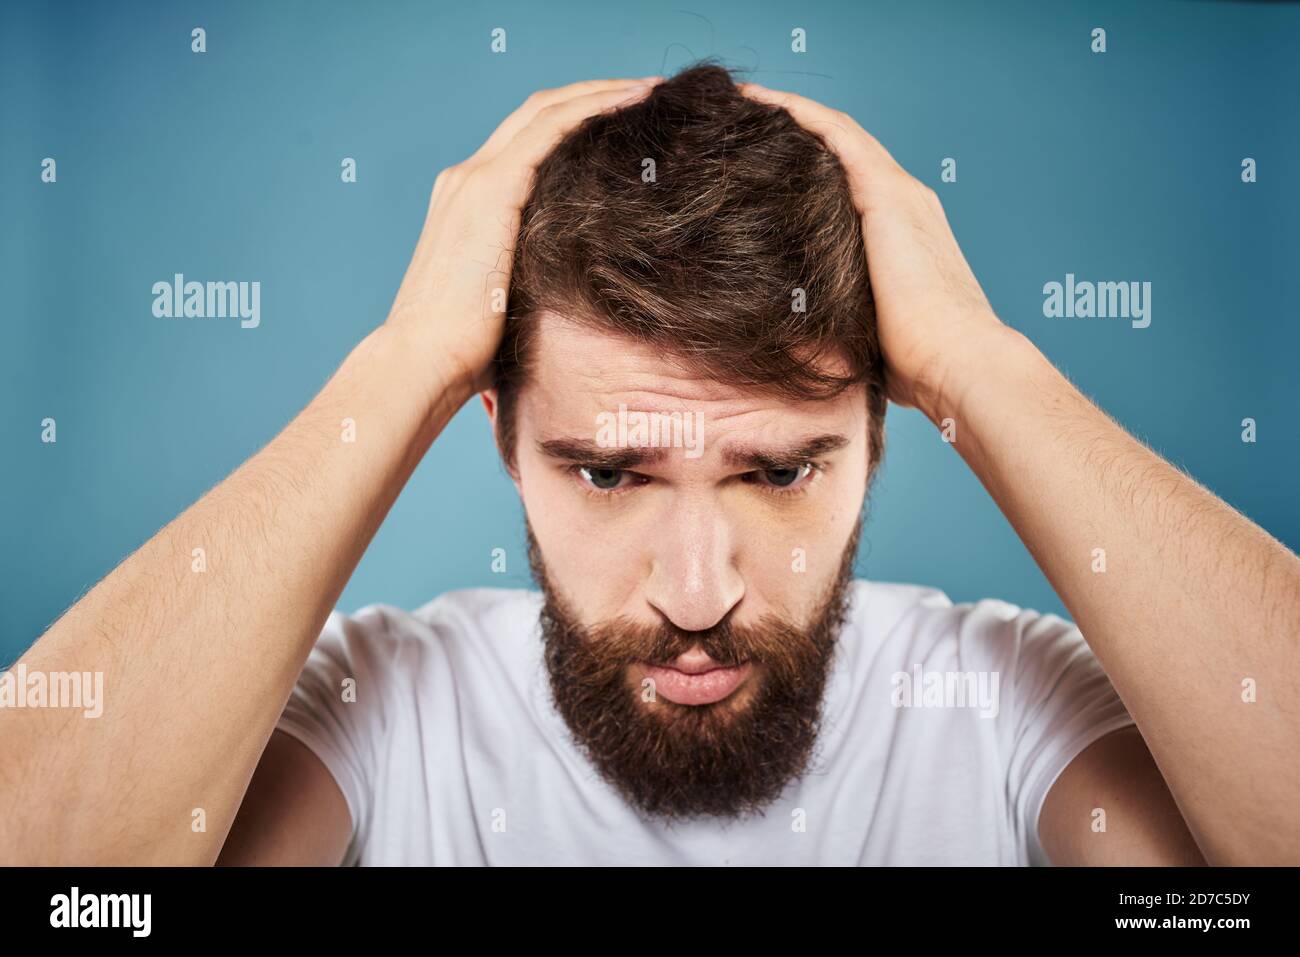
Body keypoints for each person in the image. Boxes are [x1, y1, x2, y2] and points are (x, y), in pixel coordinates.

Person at [2, 66, 1296, 866]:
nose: (695, 590)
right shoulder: (385, 715)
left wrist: (979, 362)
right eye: (610, 474)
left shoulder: (1001, 705)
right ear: (501, 432)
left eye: (780, 469)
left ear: (885, 430)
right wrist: (399, 366)